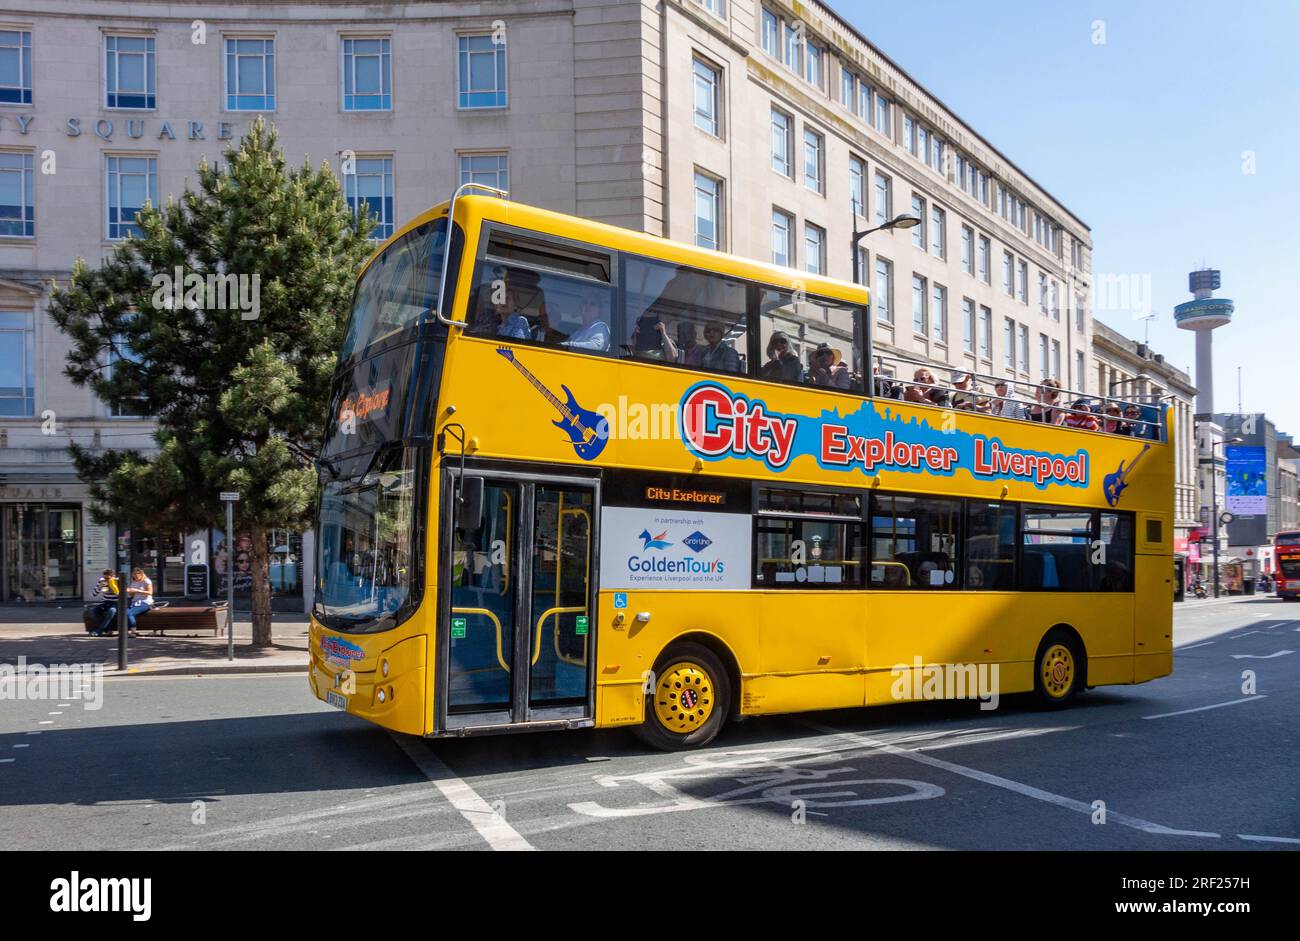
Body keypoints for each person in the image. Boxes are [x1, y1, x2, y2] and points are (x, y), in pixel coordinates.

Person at [88, 569, 119, 636]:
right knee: (94, 611)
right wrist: (100, 587)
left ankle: (99, 631)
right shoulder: (102, 581)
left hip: (116, 602)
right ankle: (107, 629)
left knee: (111, 611)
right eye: (105, 578)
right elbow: (94, 594)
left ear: (113, 576)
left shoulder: (117, 581)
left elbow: (120, 594)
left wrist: (113, 586)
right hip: (105, 601)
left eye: (107, 578)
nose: (106, 580)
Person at [124, 567, 154, 635]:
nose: (136, 576)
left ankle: (133, 631)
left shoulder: (146, 581)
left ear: (141, 574)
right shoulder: (133, 582)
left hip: (145, 602)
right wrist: (130, 592)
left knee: (129, 613)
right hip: (135, 602)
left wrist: (137, 590)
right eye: (134, 574)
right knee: (124, 612)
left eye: (137, 574)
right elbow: (132, 595)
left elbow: (150, 592)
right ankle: (128, 631)